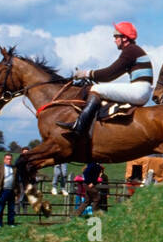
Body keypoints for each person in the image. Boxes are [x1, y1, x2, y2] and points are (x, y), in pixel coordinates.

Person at [60, 21, 153, 153]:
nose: (114, 40)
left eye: (116, 37)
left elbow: (109, 73)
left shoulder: (131, 51)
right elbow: (110, 76)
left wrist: (86, 73)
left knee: (95, 89)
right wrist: (91, 75)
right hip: (141, 90)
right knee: (99, 89)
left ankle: (79, 126)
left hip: (139, 90)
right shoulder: (133, 51)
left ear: (124, 38)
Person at [0, 152, 17, 227]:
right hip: (3, 190)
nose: (9, 160)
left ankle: (11, 223)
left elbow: (17, 181)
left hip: (11, 190)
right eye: (7, 159)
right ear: (4, 160)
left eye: (10, 159)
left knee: (11, 208)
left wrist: (17, 192)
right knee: (0, 208)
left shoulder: (14, 168)